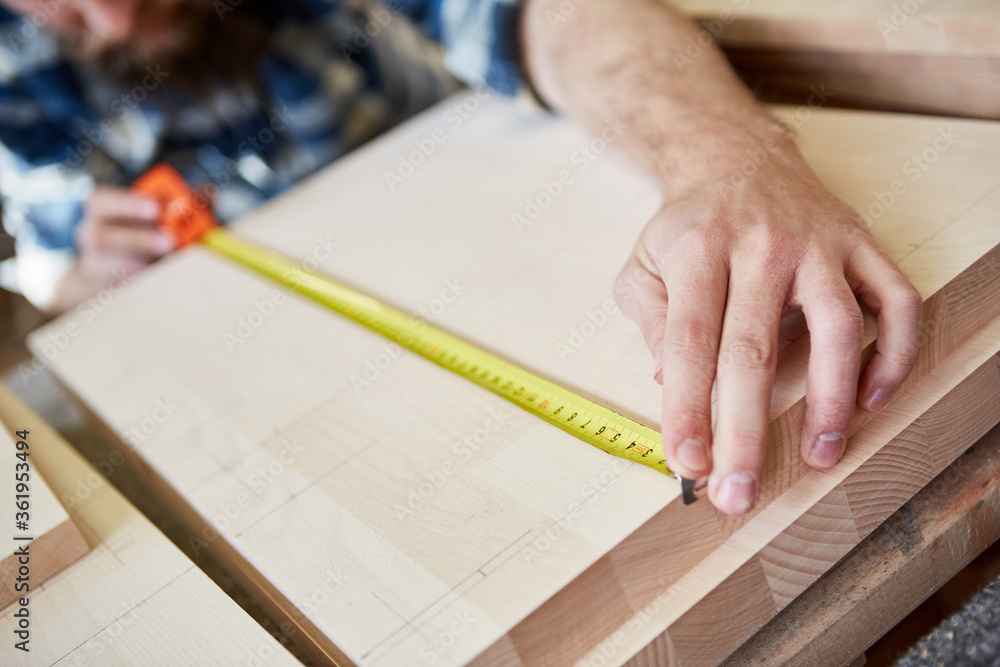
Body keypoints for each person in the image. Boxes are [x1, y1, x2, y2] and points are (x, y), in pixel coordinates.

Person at [0, 0, 921, 516]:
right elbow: (46, 261)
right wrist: (78, 274)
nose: (114, 15)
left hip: (461, 198)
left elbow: (549, 12)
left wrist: (723, 160)